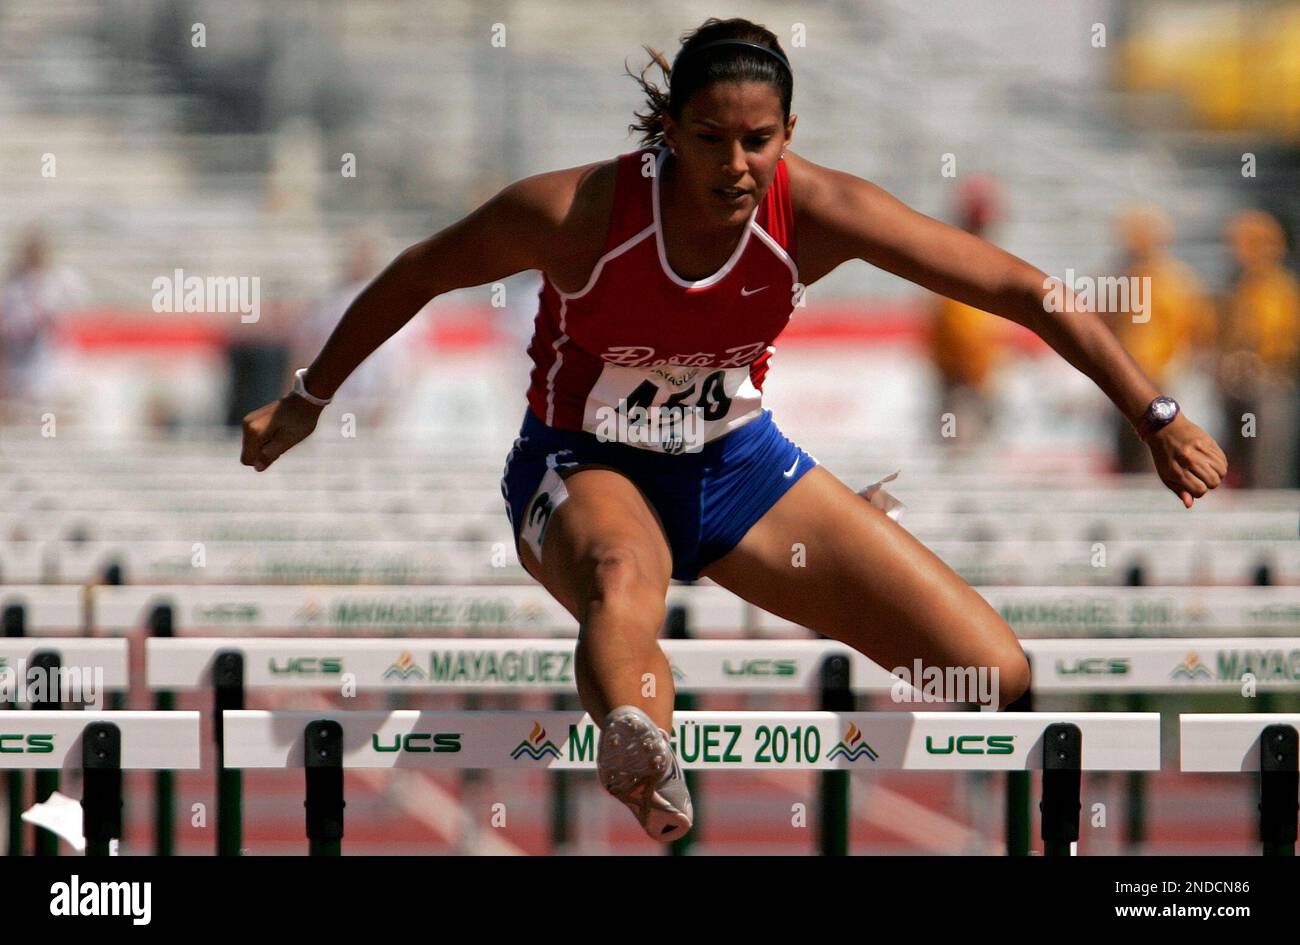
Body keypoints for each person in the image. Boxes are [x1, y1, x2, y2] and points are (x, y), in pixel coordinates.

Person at [240, 17, 1228, 844]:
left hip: (738, 471)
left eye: (758, 140)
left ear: (787, 133)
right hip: (583, 465)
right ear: (668, 130)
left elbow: (1021, 288)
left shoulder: (820, 212)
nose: (735, 165)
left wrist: (1153, 412)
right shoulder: (578, 211)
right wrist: (307, 401)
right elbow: (417, 272)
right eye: (710, 139)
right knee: (625, 580)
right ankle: (642, 757)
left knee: (991, 675)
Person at [1217, 210, 1299, 487]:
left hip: (1269, 385)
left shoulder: (1283, 289)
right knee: (1237, 463)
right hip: (1236, 386)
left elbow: (1284, 340)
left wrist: (1263, 362)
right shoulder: (1236, 287)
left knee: (1266, 462)